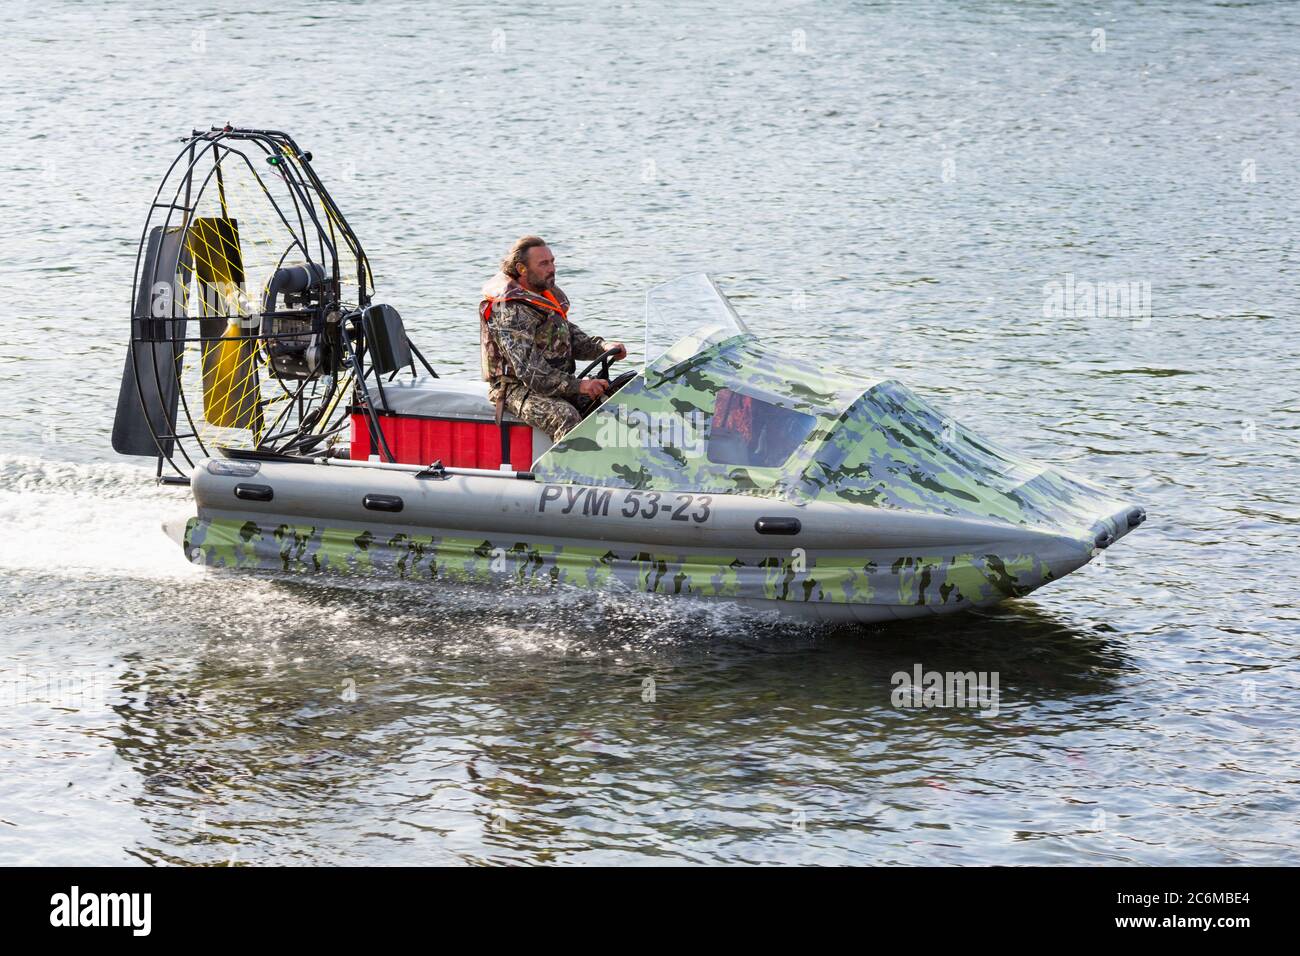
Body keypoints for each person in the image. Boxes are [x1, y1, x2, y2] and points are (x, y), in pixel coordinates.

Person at [479, 235, 626, 439]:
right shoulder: (509, 310)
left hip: (556, 382)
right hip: (516, 388)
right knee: (565, 416)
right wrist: (580, 386)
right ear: (522, 269)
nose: (552, 268)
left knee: (615, 400)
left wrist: (603, 348)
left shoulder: (543, 296)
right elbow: (530, 372)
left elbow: (568, 336)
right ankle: (568, 470)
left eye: (552, 262)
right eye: (544, 263)